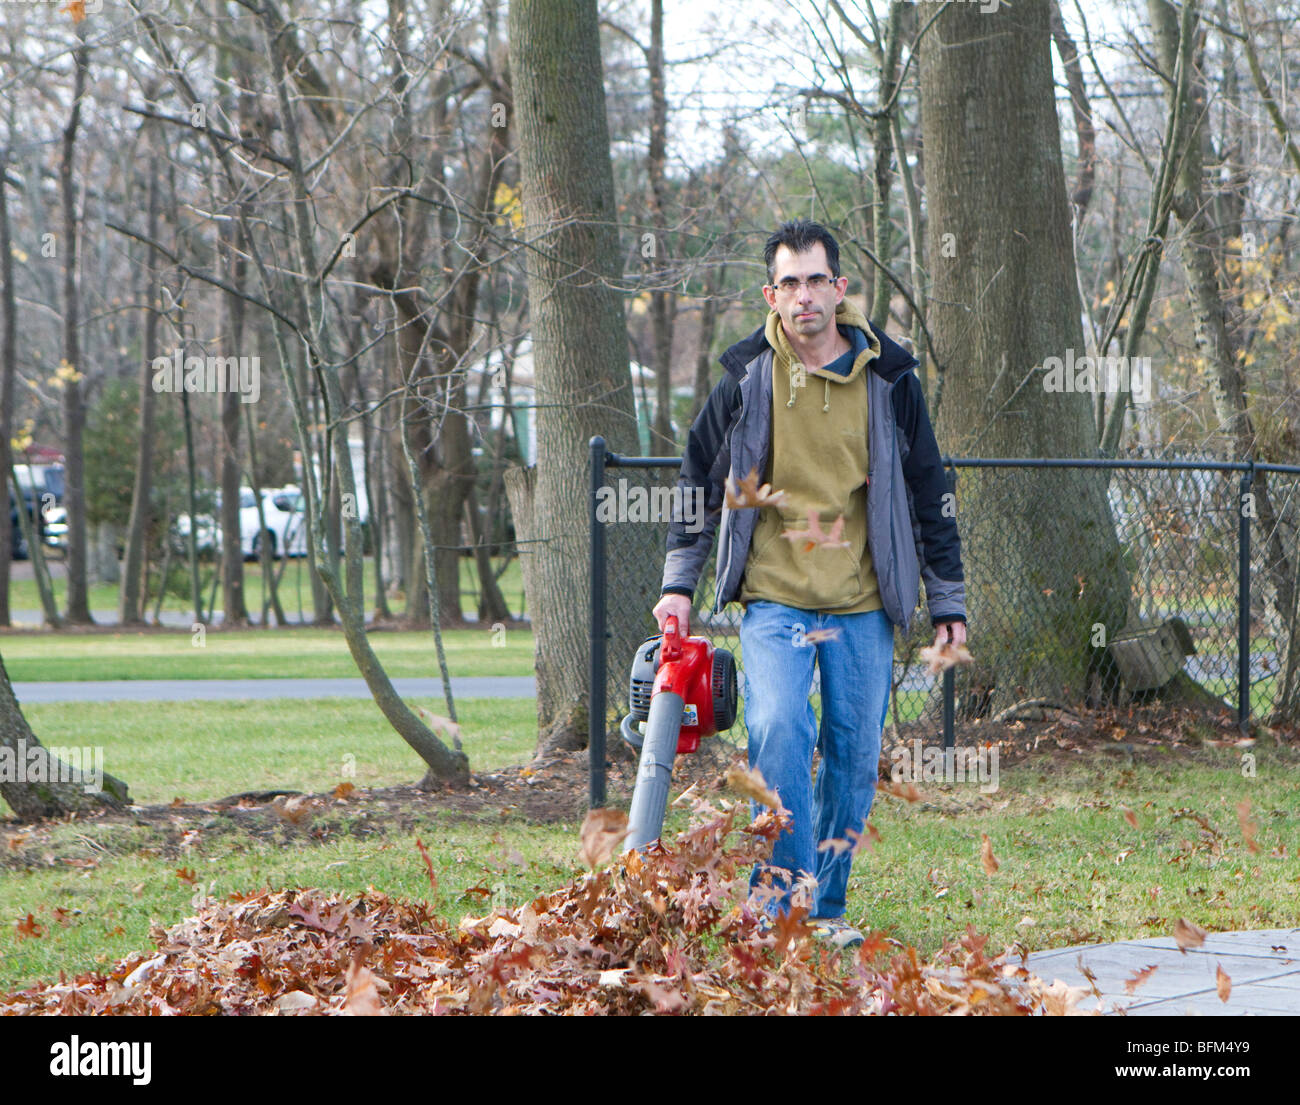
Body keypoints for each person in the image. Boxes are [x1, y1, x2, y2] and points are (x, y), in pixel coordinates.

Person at [652, 219, 967, 948]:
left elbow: (929, 488)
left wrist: (947, 598)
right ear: (772, 293)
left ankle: (826, 908)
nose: (802, 297)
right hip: (774, 598)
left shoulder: (890, 381)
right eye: (787, 283)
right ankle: (780, 908)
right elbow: (697, 475)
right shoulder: (746, 378)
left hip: (862, 602)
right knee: (779, 731)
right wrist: (679, 581)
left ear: (839, 288)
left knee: (854, 753)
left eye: (815, 280)